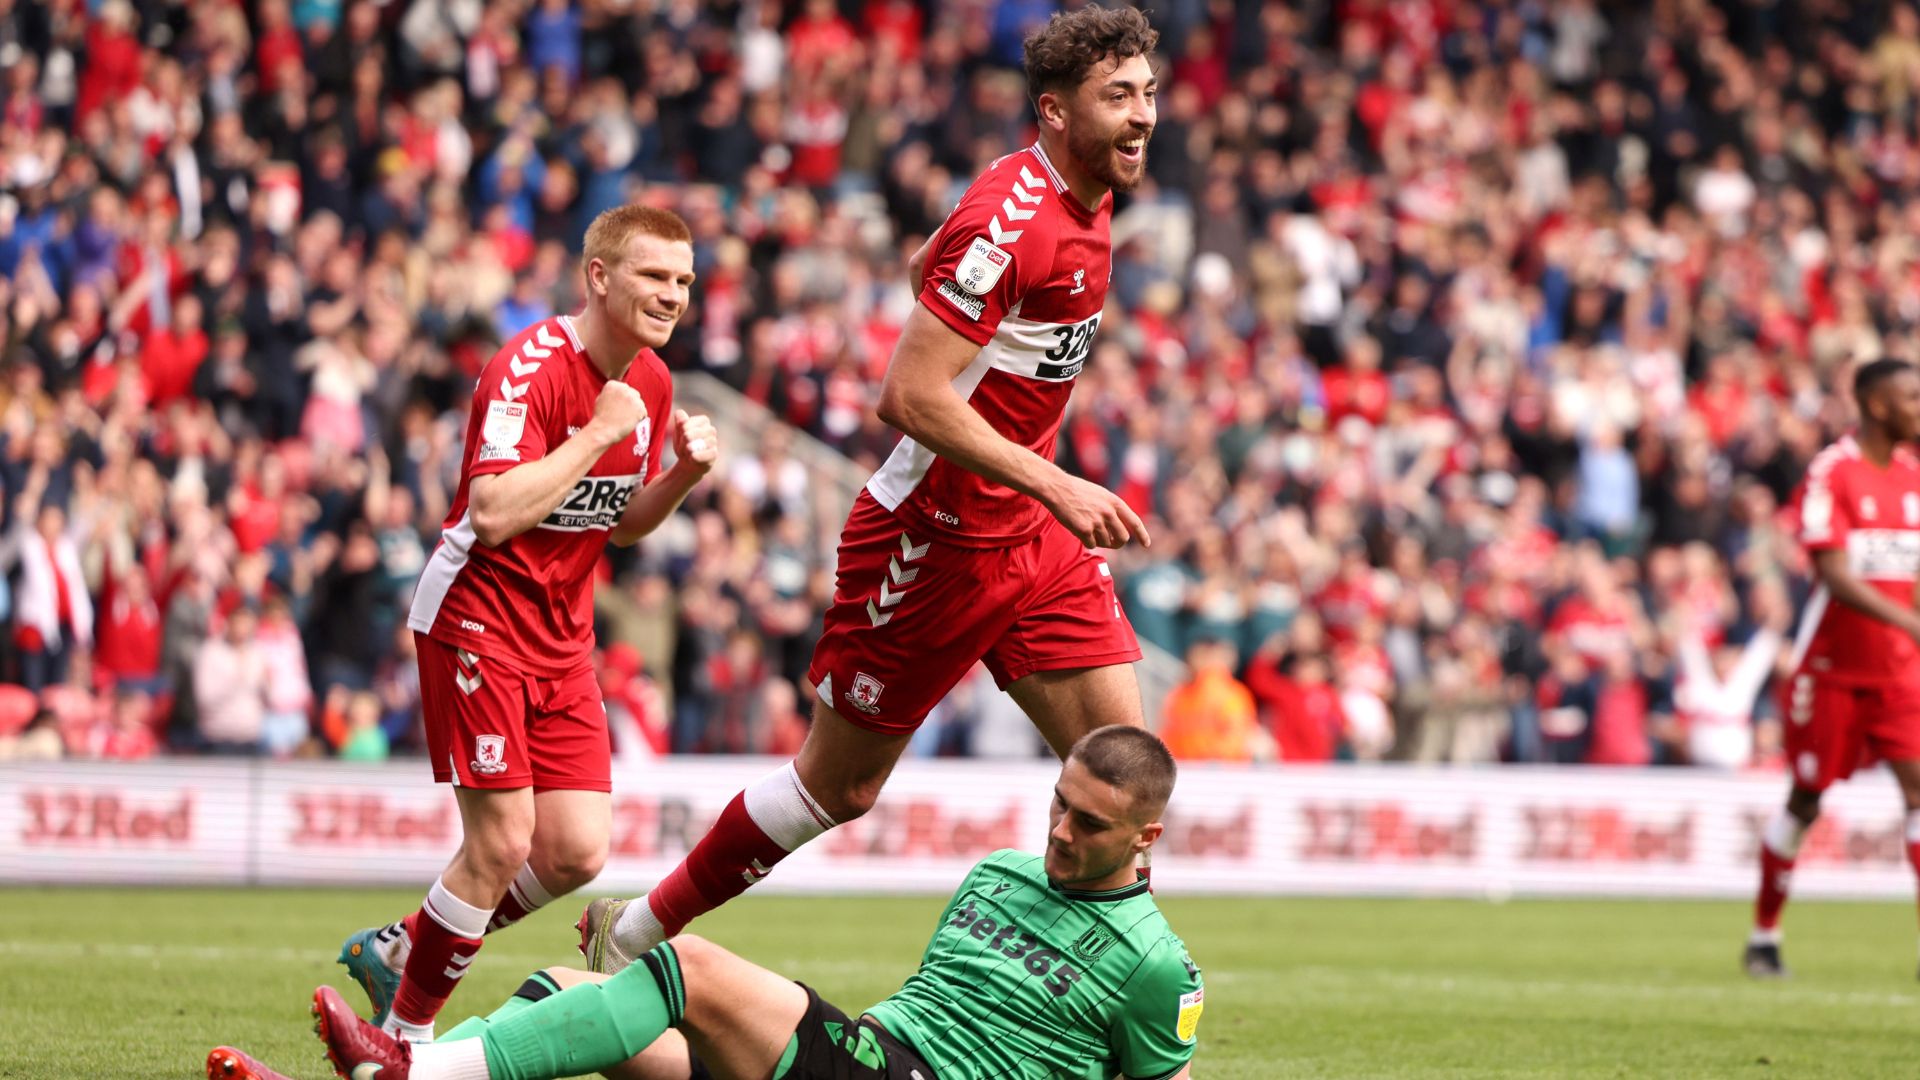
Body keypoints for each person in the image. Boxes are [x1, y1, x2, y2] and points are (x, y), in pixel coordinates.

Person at [579, 4, 1163, 974]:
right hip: (930, 540)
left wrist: (1037, 485)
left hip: (1030, 538)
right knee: (839, 789)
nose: (1141, 116)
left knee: (1124, 776)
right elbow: (909, 393)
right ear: (1056, 112)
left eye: (1147, 92)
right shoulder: (1014, 220)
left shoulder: (1083, 193)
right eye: (1118, 97)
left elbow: (923, 267)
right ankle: (632, 930)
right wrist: (1056, 481)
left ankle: (1086, 1003)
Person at [206, 726, 1203, 1080]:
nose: (1061, 833)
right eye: (1059, 807)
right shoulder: (997, 875)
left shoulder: (1157, 964)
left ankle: (413, 1072)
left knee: (687, 970)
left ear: (1145, 840)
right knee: (560, 985)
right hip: (875, 1056)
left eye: (1090, 826)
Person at [335, 204, 721, 1042]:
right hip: (477, 616)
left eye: (684, 281)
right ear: (599, 276)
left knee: (577, 852)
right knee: (504, 839)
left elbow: (618, 522)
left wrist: (682, 476)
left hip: (560, 636)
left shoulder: (650, 380)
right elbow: (495, 509)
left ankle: (405, 947)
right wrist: (596, 434)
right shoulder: (530, 367)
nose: (672, 296)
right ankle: (405, 1039)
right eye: (655, 276)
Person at [1744, 358, 1920, 978]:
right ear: (1877, 405)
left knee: (1919, 787)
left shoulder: (1912, 478)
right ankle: (1764, 934)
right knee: (1806, 799)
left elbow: (1914, 578)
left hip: (1898, 674)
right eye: (1911, 398)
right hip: (1830, 673)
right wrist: (1910, 623)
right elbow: (1834, 574)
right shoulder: (1831, 473)